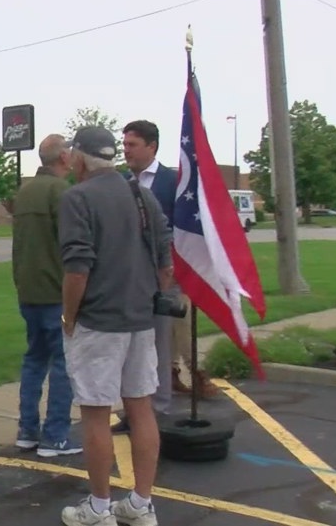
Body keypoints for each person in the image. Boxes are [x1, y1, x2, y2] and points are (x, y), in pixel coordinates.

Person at [59, 126, 171, 526]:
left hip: (98, 321)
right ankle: (141, 505)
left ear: (80, 158)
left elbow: (77, 268)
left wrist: (68, 317)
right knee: (141, 407)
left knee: (95, 412)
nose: (69, 162)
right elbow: (164, 259)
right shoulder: (141, 194)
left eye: (72, 155)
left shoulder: (77, 198)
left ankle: (100, 508)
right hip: (141, 320)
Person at [116, 120, 215, 435]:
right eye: (124, 144)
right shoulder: (120, 182)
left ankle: (155, 411)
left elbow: (184, 231)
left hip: (163, 279)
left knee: (158, 346)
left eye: (132, 145)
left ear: (151, 146)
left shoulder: (173, 182)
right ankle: (132, 409)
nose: (125, 150)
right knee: (129, 348)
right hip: (127, 278)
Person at [11, 134, 83, 458]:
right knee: (63, 364)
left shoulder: (24, 192)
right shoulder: (62, 192)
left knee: (34, 361)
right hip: (55, 291)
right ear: (63, 158)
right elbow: (71, 247)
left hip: (28, 291)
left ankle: (27, 430)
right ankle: (55, 436)